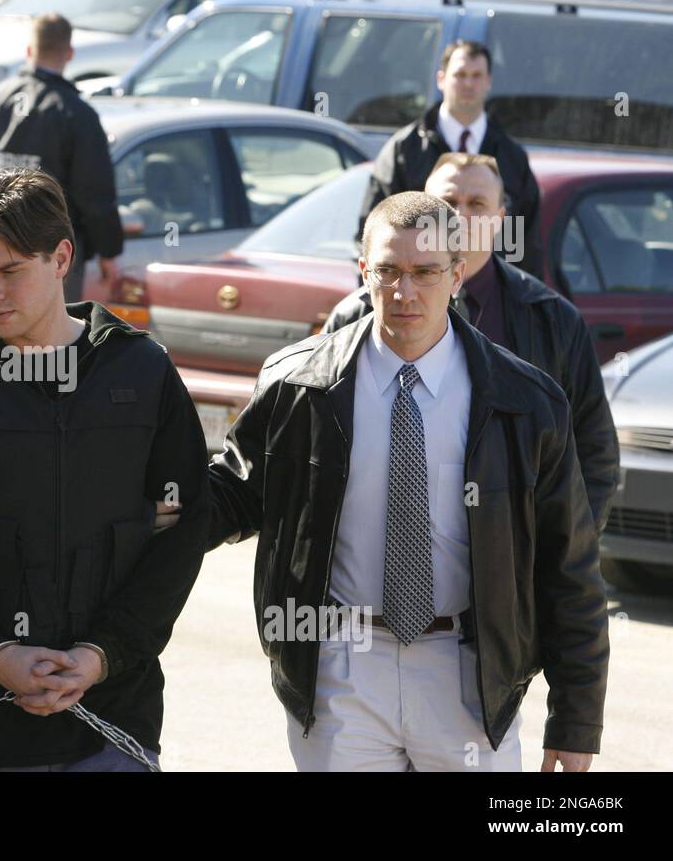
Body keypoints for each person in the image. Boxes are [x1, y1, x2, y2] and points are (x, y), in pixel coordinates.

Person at [209, 191, 608, 772]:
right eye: (389, 271)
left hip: (469, 681)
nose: (404, 292)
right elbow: (231, 494)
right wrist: (146, 492)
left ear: (457, 274)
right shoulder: (300, 385)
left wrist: (576, 722)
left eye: (425, 272)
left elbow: (569, 565)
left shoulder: (527, 401)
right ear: (363, 271)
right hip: (342, 674)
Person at [0, 168, 208, 771]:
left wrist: (102, 655)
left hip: (112, 724)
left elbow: (180, 539)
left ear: (61, 258)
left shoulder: (142, 374)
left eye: (9, 271)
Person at [328, 152, 619, 530]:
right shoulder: (357, 315)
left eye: (476, 204)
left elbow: (595, 453)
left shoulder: (552, 319)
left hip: (507, 561)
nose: (460, 215)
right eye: (447, 202)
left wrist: (559, 558)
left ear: (500, 219)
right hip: (377, 546)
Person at [0, 12, 123, 303]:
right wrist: (109, 253)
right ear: (69, 53)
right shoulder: (76, 114)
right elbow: (95, 193)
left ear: (29, 51)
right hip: (46, 256)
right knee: (53, 343)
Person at [362, 41, 543, 277]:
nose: (468, 83)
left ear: (488, 82)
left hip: (490, 300)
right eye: (460, 74)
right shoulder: (405, 150)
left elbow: (524, 242)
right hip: (415, 291)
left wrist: (515, 300)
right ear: (441, 79)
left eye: (476, 75)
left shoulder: (512, 157)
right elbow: (373, 230)